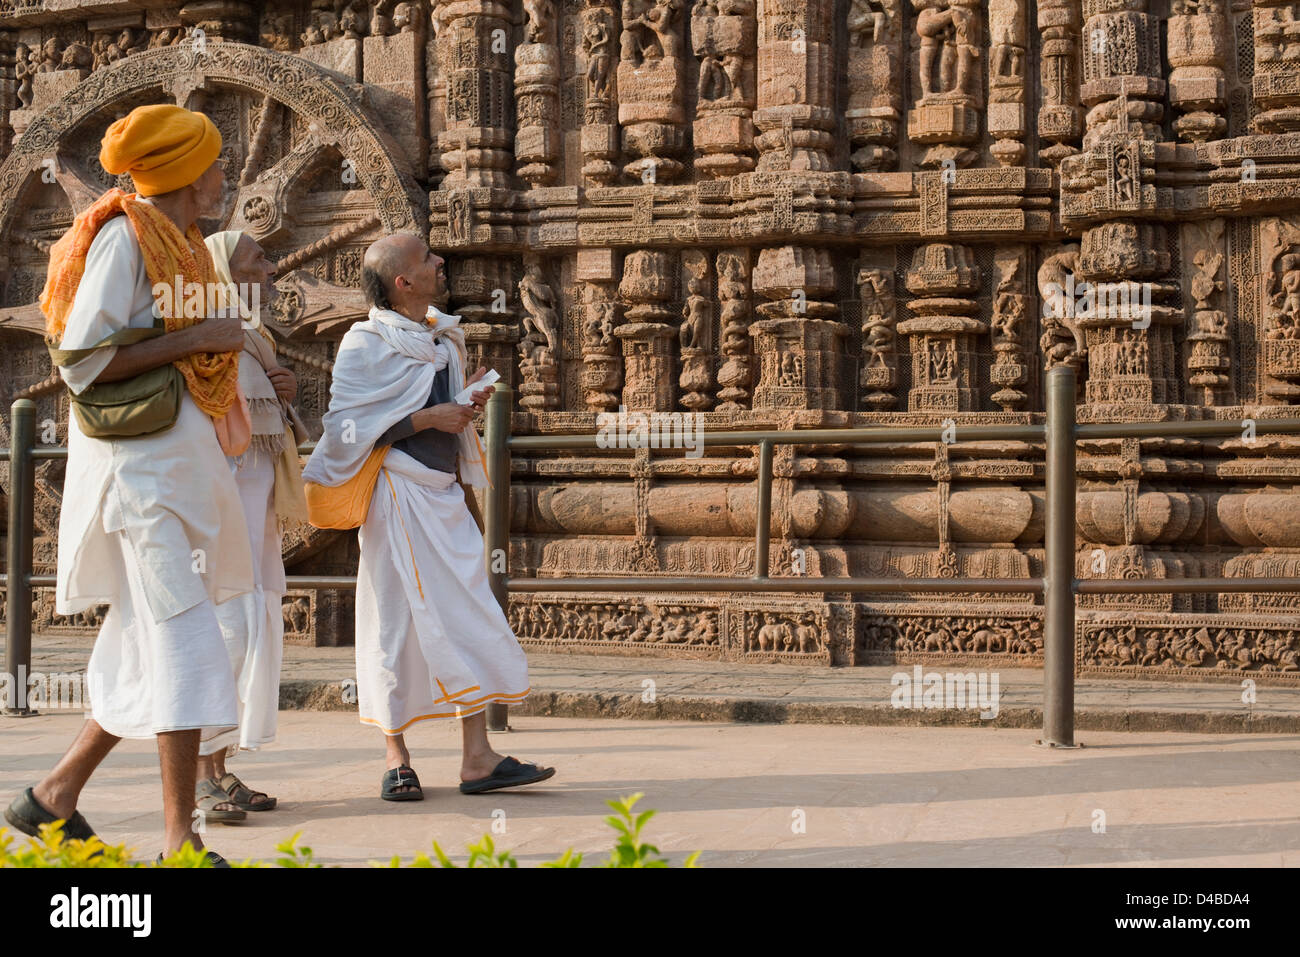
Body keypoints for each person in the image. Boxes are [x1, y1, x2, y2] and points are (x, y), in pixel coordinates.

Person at [3, 105, 251, 865]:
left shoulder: (184, 244)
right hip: (141, 482)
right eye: (213, 161)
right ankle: (181, 838)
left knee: (148, 648)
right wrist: (199, 337)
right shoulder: (123, 237)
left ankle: (53, 794)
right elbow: (78, 359)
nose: (222, 173)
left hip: (173, 476)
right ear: (184, 172)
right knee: (187, 641)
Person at [302, 233, 554, 800]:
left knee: (468, 610)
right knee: (394, 621)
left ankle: (478, 759)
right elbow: (345, 431)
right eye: (427, 258)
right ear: (403, 282)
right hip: (397, 495)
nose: (441, 262)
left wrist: (460, 401)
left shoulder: (442, 337)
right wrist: (426, 419)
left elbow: (420, 405)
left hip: (441, 496)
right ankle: (397, 759)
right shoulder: (364, 344)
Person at [193, 231, 310, 821]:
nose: (269, 266)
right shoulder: (207, 331)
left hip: (254, 502)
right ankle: (198, 775)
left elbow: (264, 408)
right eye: (256, 259)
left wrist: (283, 388)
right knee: (226, 628)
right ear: (223, 270)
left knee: (252, 622)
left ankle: (217, 766)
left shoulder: (253, 336)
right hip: (220, 503)